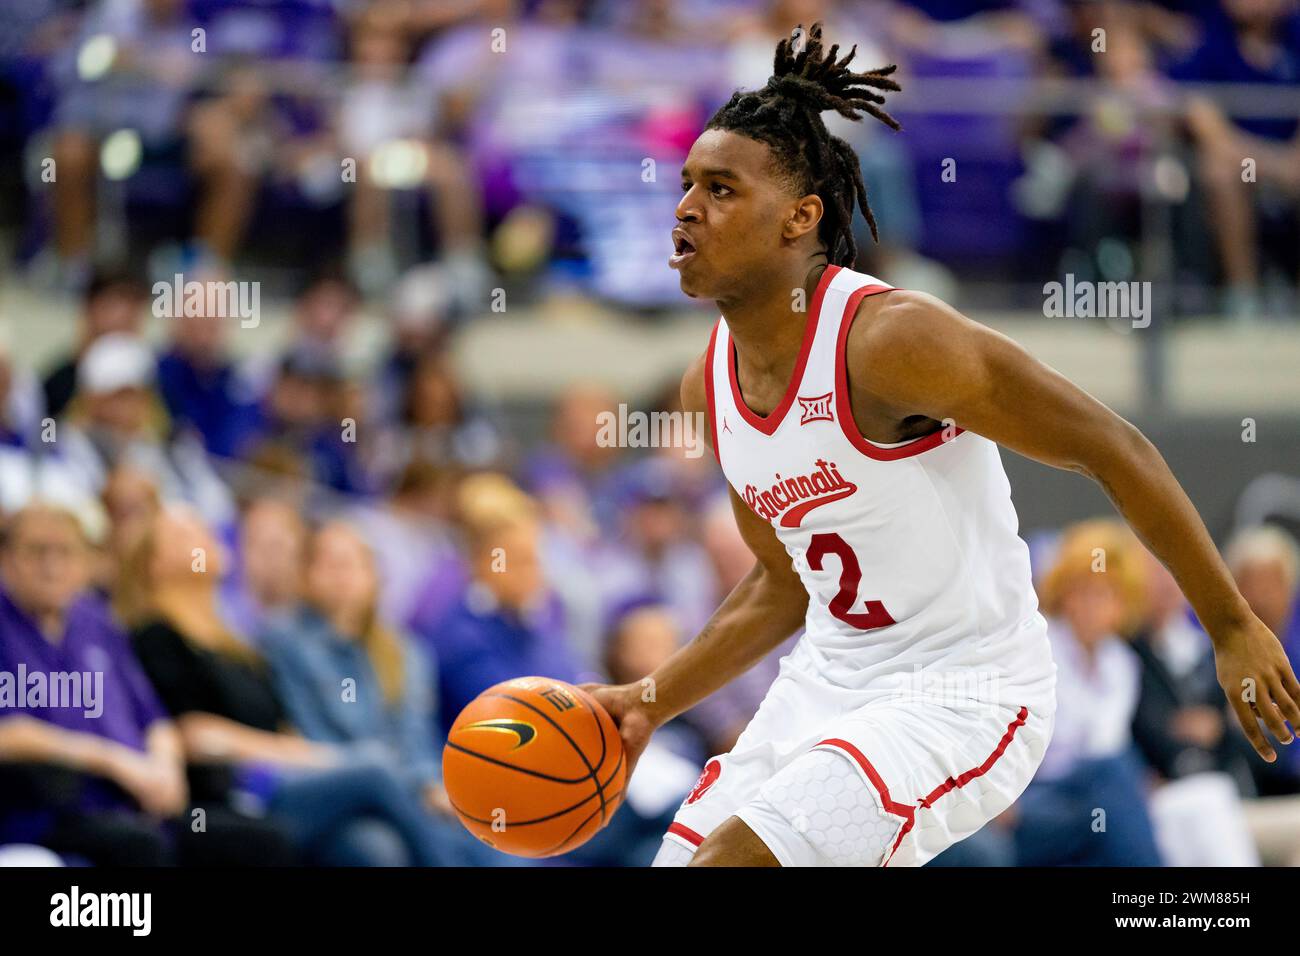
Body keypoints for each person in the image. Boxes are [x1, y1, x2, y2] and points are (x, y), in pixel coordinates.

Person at [584, 22, 1300, 868]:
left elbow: (1112, 447)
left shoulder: (892, 341)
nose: (686, 207)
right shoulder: (707, 386)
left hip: (967, 693)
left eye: (722, 189)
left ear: (800, 219)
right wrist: (649, 701)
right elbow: (782, 585)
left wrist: (1230, 624)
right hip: (828, 684)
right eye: (686, 184)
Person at [118, 504, 459, 865]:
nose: (206, 539)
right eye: (184, 536)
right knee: (374, 766)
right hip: (234, 792)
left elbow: (281, 726)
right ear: (153, 565)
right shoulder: (157, 636)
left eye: (202, 529)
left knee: (374, 848)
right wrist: (315, 757)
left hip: (286, 780)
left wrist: (305, 754)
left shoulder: (232, 642)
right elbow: (196, 734)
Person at [0, 503, 293, 866]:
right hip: (52, 807)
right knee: (142, 846)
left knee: (263, 840)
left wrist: (165, 769)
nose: (52, 565)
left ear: (87, 563)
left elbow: (154, 717)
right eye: (36, 551)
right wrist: (111, 760)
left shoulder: (96, 623)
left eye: (66, 552)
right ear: (7, 557)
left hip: (136, 801)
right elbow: (8, 733)